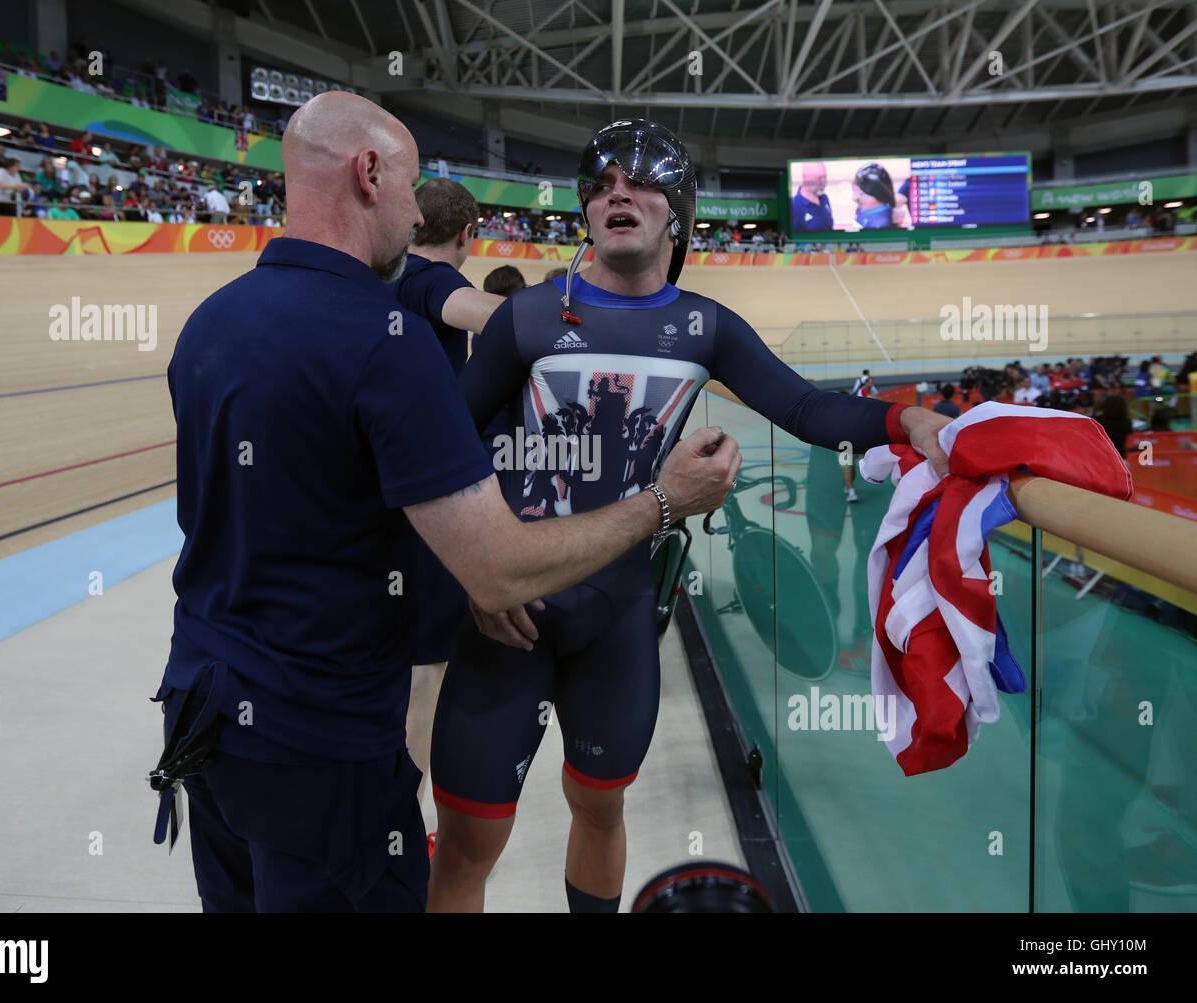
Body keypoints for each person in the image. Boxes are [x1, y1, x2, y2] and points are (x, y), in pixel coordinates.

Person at [151, 93, 741, 914]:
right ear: (369, 174)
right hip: (322, 745)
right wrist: (663, 499)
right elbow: (497, 568)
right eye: (410, 184)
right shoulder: (384, 346)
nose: (415, 209)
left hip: (202, 715)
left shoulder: (207, 325)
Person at [426, 118, 950, 913]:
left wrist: (906, 422)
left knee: (600, 805)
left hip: (618, 614)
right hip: (512, 609)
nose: (616, 194)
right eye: (600, 185)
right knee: (467, 841)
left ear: (677, 212)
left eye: (638, 183)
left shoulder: (707, 327)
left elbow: (804, 407)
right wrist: (474, 574)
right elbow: (447, 452)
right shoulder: (527, 317)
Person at [389, 177, 509, 810]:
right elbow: (482, 315)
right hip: (426, 510)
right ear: (467, 235)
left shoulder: (381, 278)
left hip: (385, 498)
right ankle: (410, 825)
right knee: (425, 675)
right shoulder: (431, 280)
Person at [791, 162, 832, 231]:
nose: (823, 182)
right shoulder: (794, 205)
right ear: (805, 177)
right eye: (819, 178)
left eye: (825, 177)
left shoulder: (824, 199)